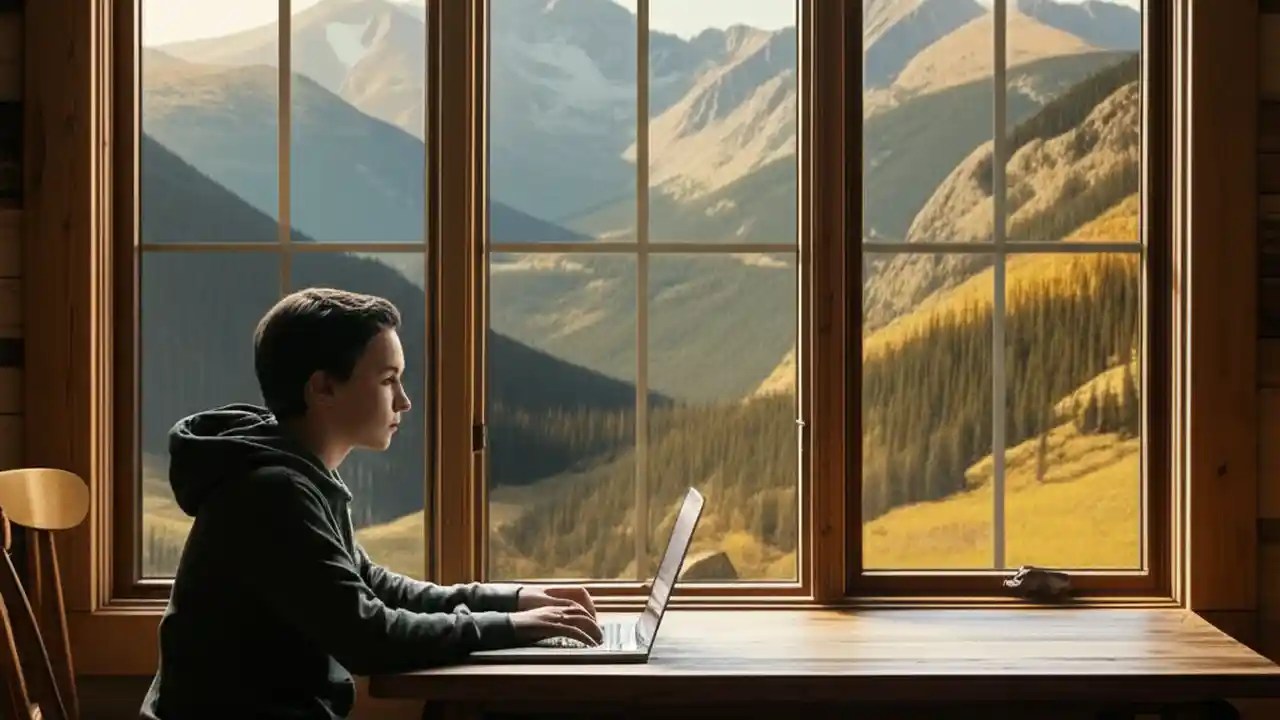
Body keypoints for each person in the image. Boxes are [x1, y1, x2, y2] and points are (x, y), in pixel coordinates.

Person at [140, 287, 602, 720]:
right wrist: (512, 627)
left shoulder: (294, 473)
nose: (404, 401)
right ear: (322, 388)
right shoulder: (271, 492)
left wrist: (515, 601)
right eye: (387, 380)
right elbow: (369, 636)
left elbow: (373, 588)